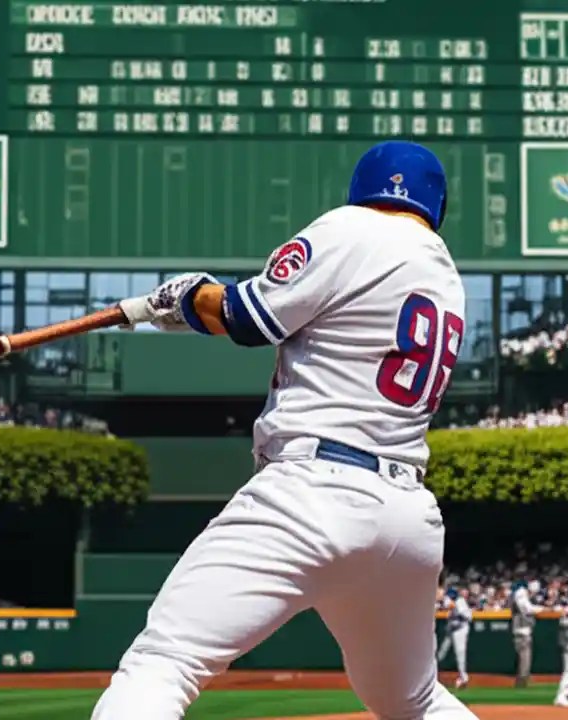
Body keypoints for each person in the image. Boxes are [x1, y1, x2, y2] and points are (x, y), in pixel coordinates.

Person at [94, 141, 476, 719]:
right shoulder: (445, 276)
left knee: (163, 661)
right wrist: (193, 304)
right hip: (407, 519)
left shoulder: (351, 227)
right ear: (436, 205)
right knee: (414, 703)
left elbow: (245, 317)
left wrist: (190, 295)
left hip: (315, 491)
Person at [436, 587, 472, 689]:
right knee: (441, 652)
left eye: (452, 597)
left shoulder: (461, 602)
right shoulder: (449, 599)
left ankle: (463, 678)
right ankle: (434, 676)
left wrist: (457, 609)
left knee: (460, 654)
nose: (450, 598)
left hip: (461, 629)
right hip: (451, 629)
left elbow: (468, 617)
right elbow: (443, 604)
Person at [509, 579, 543, 688]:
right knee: (525, 657)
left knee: (524, 657)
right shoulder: (521, 594)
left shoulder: (522, 594)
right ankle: (522, 681)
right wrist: (544, 609)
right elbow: (528, 609)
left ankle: (523, 679)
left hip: (523, 629)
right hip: (521, 630)